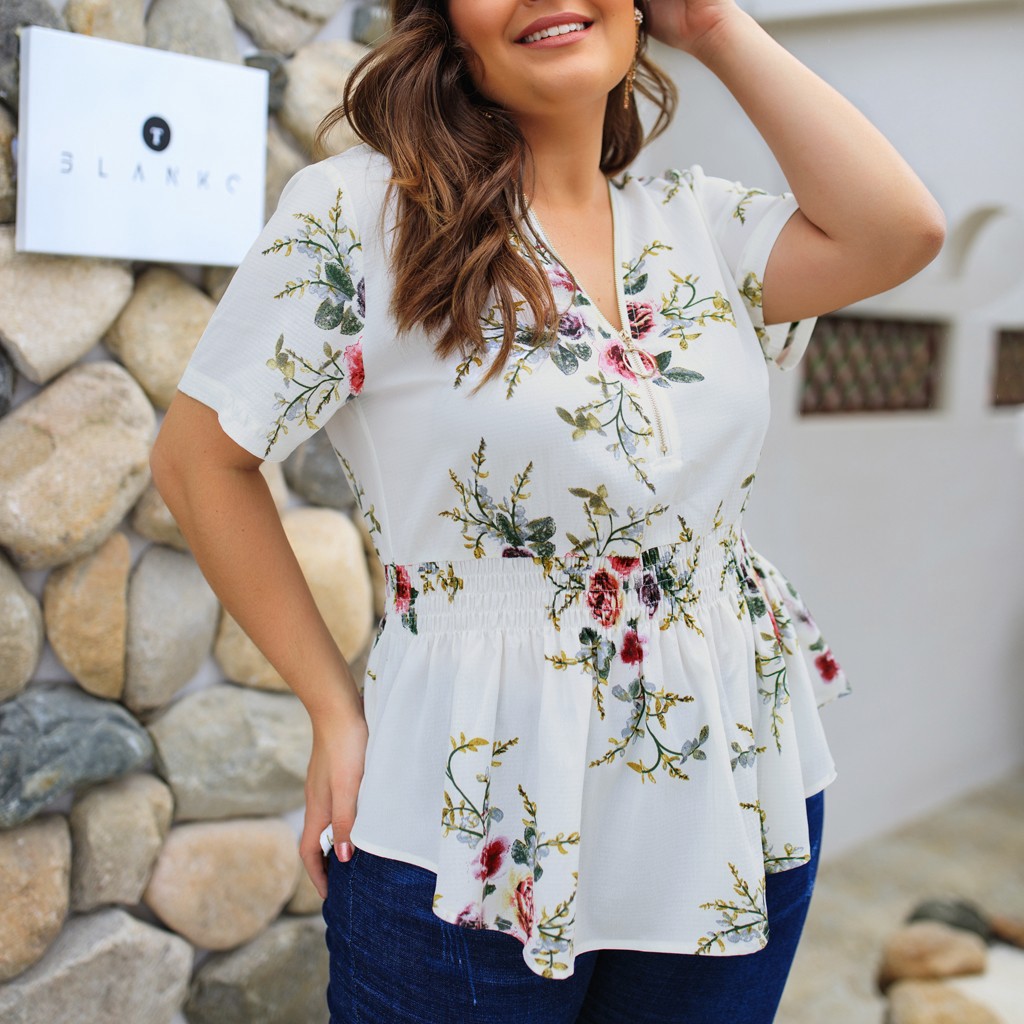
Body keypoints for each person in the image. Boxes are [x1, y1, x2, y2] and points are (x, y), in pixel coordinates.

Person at [151, 0, 945, 1020]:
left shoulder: (701, 227)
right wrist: (331, 708)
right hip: (470, 803)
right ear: (446, 21)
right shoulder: (363, 215)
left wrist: (711, 25)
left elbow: (901, 231)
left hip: (735, 784)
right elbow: (199, 461)